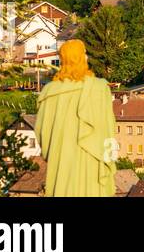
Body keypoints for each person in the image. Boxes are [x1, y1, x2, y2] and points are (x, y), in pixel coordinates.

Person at [34, 39, 116, 196]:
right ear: (79, 58)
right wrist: (110, 159)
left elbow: (41, 133)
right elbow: (109, 130)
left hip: (62, 161)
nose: (86, 58)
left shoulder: (49, 92)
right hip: (93, 163)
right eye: (84, 53)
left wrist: (53, 152)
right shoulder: (99, 88)